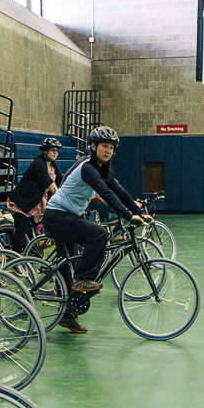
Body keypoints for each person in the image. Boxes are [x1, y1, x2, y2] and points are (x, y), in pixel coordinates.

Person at [42, 126, 150, 333]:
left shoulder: (103, 169)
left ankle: (67, 314)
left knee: (67, 263)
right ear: (93, 146)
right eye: (104, 146)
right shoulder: (87, 168)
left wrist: (139, 212)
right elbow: (106, 193)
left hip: (68, 216)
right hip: (56, 216)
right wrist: (127, 215)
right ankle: (83, 279)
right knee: (99, 234)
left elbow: (119, 191)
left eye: (112, 147)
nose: (108, 151)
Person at [6, 137, 64, 252]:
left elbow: (60, 182)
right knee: (21, 231)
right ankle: (15, 257)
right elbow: (49, 183)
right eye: (52, 150)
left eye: (57, 150)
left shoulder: (52, 165)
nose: (55, 153)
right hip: (22, 202)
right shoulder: (39, 163)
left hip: (35, 203)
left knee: (30, 231)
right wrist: (62, 197)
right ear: (45, 151)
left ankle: (32, 255)